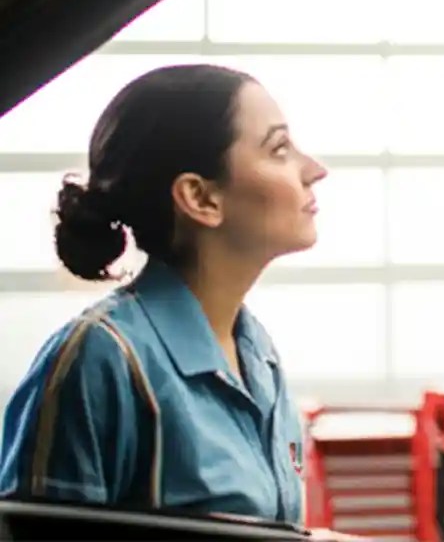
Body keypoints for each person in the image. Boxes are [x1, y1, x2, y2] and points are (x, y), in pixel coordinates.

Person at [0, 63, 327, 526]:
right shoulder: (100, 359)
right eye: (279, 149)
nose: (315, 169)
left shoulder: (258, 354)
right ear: (200, 198)